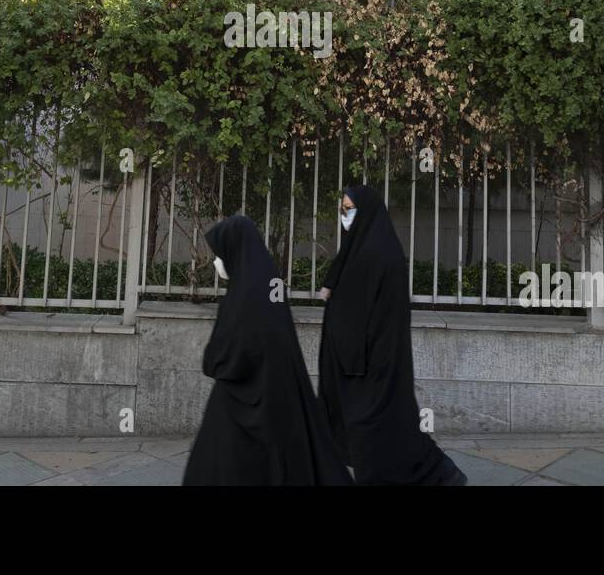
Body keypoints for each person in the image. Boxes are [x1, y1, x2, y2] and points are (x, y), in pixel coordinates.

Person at [182, 215, 351, 486]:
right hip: (277, 391)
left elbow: (232, 349)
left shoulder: (246, 290)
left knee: (220, 457)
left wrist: (214, 361)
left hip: (241, 395)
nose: (217, 261)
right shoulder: (267, 280)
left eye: (220, 254)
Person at [317, 185, 467, 486]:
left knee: (377, 425)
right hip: (357, 360)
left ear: (367, 210)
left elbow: (368, 311)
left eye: (350, 208)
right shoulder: (360, 246)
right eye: (342, 209)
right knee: (388, 426)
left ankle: (437, 474)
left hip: (372, 362)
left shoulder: (379, 253)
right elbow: (341, 282)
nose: (345, 215)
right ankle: (437, 473)